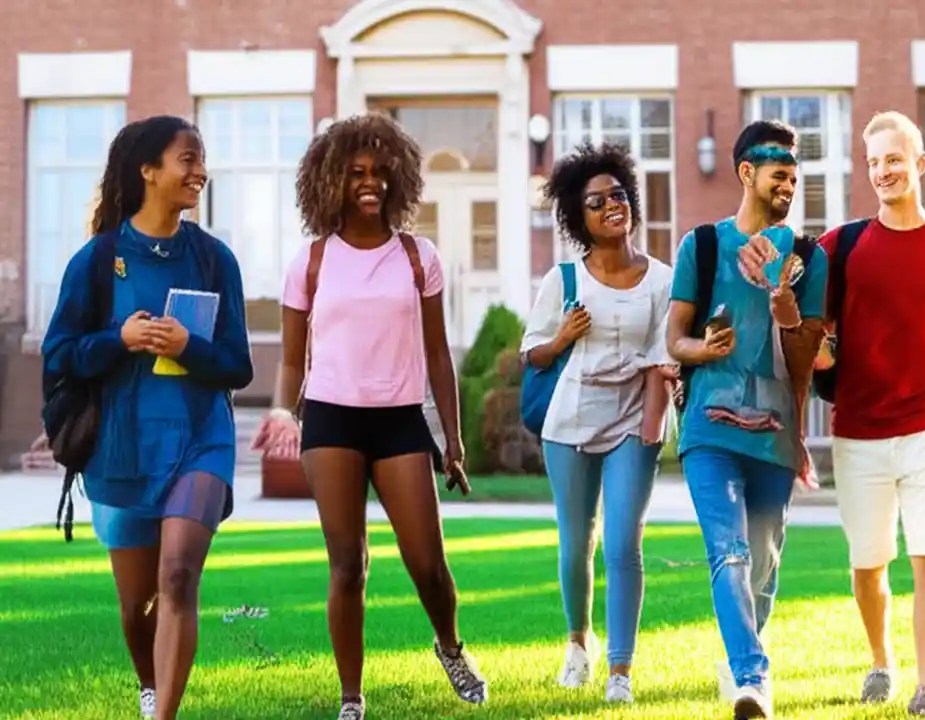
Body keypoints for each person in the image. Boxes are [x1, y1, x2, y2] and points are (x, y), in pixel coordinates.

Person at [251, 113, 487, 719]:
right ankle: (351, 697)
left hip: (399, 419)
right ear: (331, 179)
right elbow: (292, 357)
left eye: (381, 172)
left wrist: (453, 440)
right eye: (356, 172)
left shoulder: (418, 256)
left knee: (427, 563)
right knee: (348, 565)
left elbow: (438, 353)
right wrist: (282, 410)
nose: (370, 182)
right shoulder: (311, 261)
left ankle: (450, 645)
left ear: (398, 179)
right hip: (331, 419)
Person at [42, 115, 253, 720]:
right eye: (188, 159)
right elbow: (60, 354)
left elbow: (238, 366)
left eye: (202, 160)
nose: (200, 172)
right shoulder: (97, 260)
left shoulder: (214, 259)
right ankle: (149, 683)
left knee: (179, 576)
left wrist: (189, 347)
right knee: (137, 608)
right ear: (148, 170)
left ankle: (164, 716)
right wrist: (120, 338)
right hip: (122, 447)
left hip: (201, 439)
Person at [668, 119, 828, 719]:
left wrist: (784, 307)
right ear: (746, 172)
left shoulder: (808, 258)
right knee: (728, 552)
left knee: (762, 564)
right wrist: (703, 348)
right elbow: (674, 339)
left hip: (775, 433)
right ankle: (752, 679)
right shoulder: (702, 247)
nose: (788, 184)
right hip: (708, 429)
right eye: (778, 173)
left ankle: (740, 660)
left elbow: (804, 362)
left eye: (794, 176)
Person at [818, 111, 925, 718]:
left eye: (894, 160)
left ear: (920, 164)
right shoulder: (842, 245)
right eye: (874, 162)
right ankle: (881, 661)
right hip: (857, 432)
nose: (884, 171)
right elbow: (809, 327)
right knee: (868, 564)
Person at [519, 142, 675, 705]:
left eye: (619, 195)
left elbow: (663, 359)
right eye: (597, 201)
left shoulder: (662, 280)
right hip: (569, 422)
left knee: (624, 542)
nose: (613, 205)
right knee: (576, 540)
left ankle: (620, 671)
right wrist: (562, 336)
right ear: (576, 217)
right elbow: (532, 353)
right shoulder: (563, 280)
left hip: (632, 422)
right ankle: (578, 643)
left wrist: (652, 429)